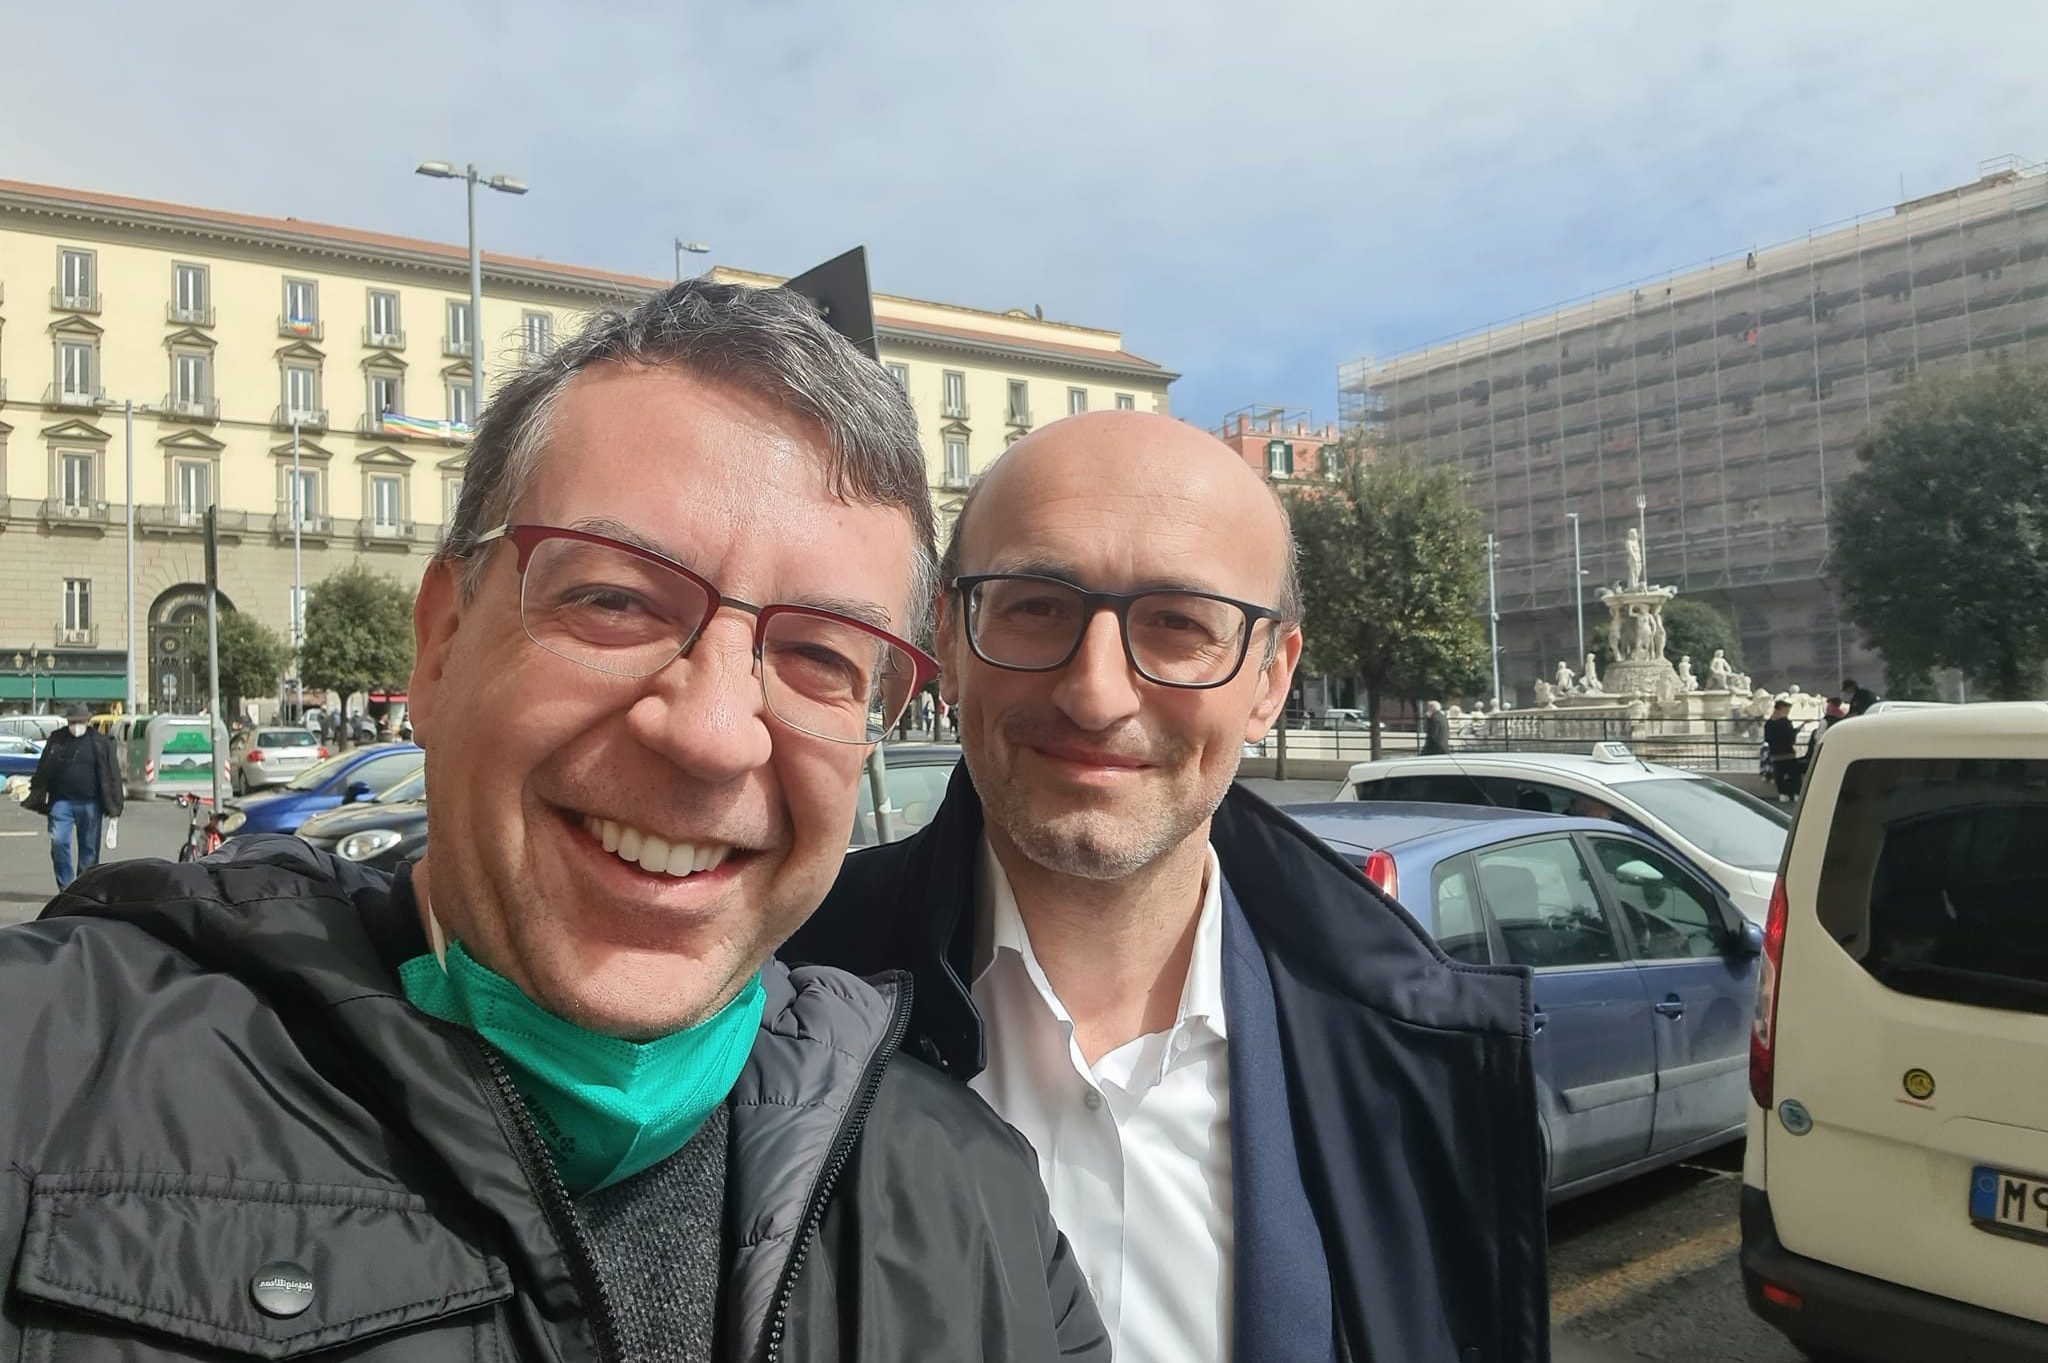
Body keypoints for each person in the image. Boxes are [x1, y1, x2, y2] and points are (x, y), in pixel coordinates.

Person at [0, 281, 1105, 1362]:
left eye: (819, 654)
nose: (713, 731)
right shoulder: (41, 1077)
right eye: (616, 599)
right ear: (440, 647)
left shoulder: (980, 1213)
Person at [790, 412, 1548, 1363]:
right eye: (1034, 604)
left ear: (1271, 679)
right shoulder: (764, 1000)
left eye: (1180, 623)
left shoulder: (1413, 1057)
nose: (1096, 693)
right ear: (948, 632)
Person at [25, 702, 125, 888]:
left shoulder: (100, 742)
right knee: (59, 842)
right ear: (68, 721)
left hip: (91, 803)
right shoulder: (57, 740)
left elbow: (112, 774)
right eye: (73, 721)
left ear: (87, 721)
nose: (76, 725)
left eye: (80, 721)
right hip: (60, 802)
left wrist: (115, 805)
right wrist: (36, 792)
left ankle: (82, 887)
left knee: (89, 849)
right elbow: (43, 768)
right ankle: (65, 886)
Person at [1763, 699, 1803, 801]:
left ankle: (1783, 794)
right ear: (1782, 709)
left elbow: (1767, 738)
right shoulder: (1785, 722)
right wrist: (1796, 731)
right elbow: (1790, 737)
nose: (1788, 712)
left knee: (1779, 775)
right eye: (1787, 710)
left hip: (1775, 753)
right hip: (1788, 753)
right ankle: (1796, 794)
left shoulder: (1769, 723)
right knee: (1794, 775)